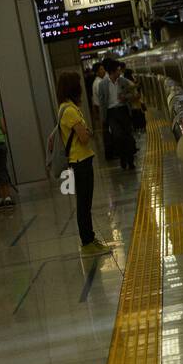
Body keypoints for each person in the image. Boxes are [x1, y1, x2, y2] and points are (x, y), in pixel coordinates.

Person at [56, 73, 109, 254]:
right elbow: (84, 138)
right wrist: (87, 131)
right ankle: (87, 241)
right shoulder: (69, 110)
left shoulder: (66, 107)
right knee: (84, 203)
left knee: (84, 202)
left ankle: (89, 237)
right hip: (80, 161)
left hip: (79, 160)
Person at [102, 59, 137, 170]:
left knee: (128, 136)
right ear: (112, 71)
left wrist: (125, 97)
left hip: (123, 110)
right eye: (118, 70)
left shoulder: (123, 81)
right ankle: (122, 157)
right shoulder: (103, 85)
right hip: (111, 113)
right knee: (117, 136)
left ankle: (130, 161)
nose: (120, 72)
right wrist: (103, 119)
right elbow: (102, 102)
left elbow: (135, 93)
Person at [91, 61, 115, 159]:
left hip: (101, 110)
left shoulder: (97, 82)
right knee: (107, 133)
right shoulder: (99, 83)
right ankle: (110, 154)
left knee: (106, 133)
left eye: (103, 69)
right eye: (101, 69)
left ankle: (109, 154)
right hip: (104, 110)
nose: (104, 71)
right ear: (97, 72)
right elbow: (104, 99)